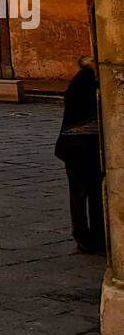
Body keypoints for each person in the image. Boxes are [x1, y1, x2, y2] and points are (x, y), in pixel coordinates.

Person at [54, 55, 104, 254]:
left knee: (82, 194)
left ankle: (86, 235)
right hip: (82, 145)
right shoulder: (89, 81)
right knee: (88, 193)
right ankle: (89, 236)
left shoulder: (80, 79)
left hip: (76, 145)